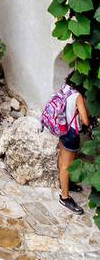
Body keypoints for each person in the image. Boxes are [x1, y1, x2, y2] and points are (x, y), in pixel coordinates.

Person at [54, 78, 91, 214]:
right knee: (67, 166)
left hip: (62, 127)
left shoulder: (65, 89)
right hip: (72, 132)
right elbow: (86, 121)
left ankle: (64, 184)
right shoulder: (77, 96)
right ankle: (64, 197)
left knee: (62, 157)